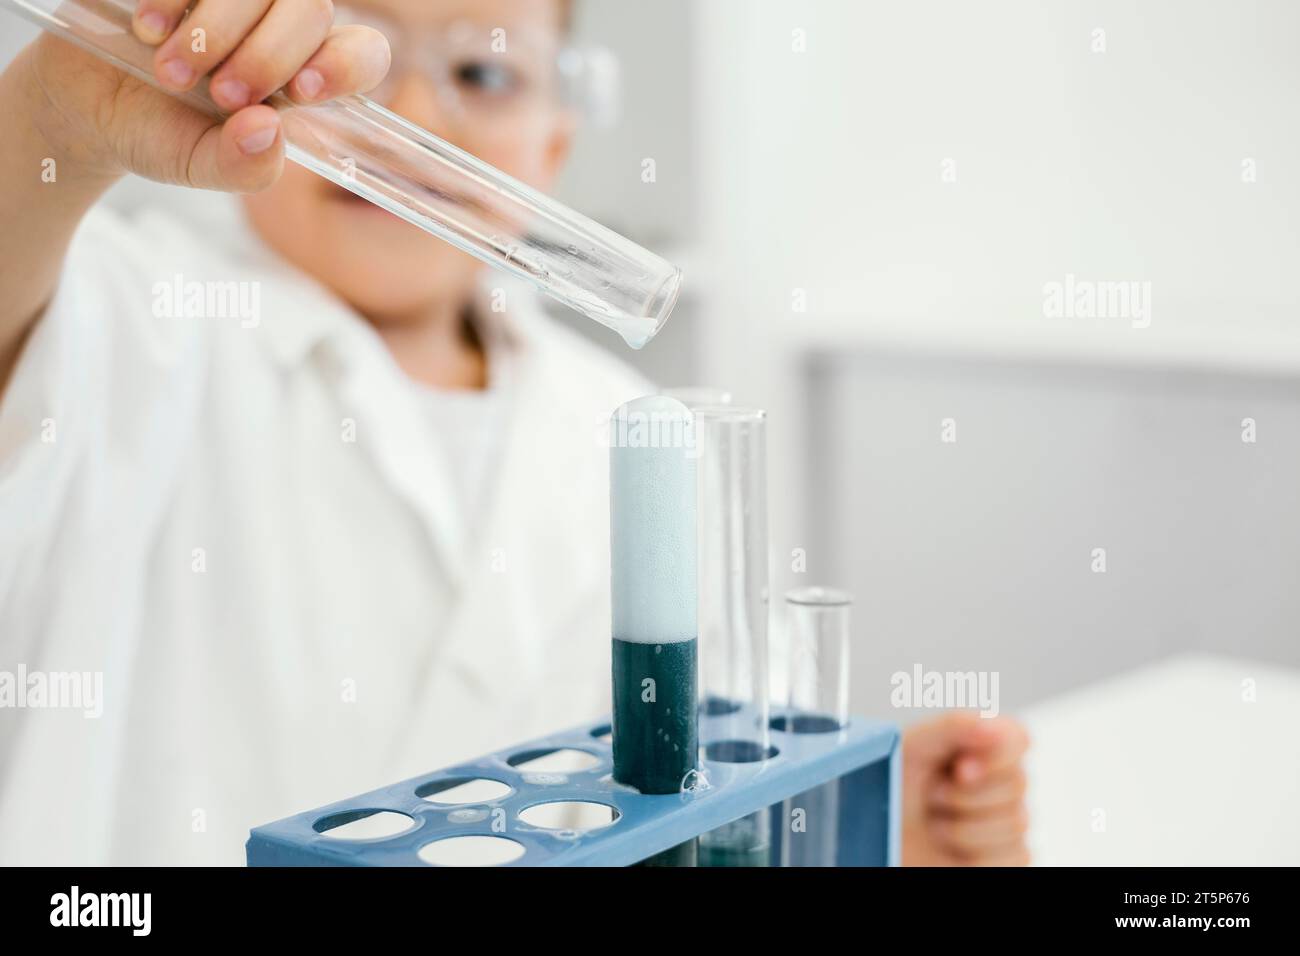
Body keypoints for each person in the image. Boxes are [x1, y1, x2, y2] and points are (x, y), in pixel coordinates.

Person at [0, 0, 1029, 866]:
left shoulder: (618, 427)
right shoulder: (138, 315)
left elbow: (672, 798)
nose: (406, 115)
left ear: (555, 142)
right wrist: (47, 126)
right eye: (345, 57)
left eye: (484, 74)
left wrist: (828, 822)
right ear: (248, 75)